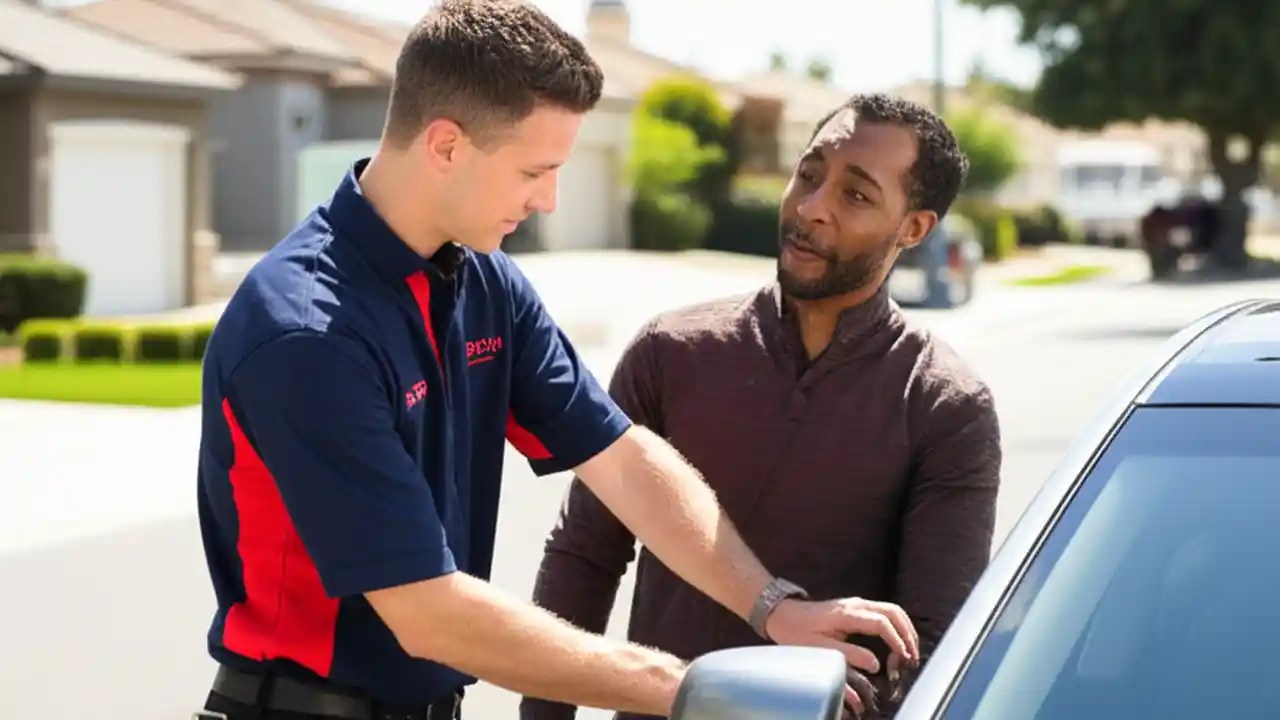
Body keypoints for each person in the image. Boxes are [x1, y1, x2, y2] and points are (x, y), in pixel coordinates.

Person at [192, 3, 919, 719]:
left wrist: (774, 608)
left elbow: (624, 460)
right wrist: (691, 690)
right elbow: (427, 613)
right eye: (534, 170)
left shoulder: (483, 280)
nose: (549, 198)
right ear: (445, 145)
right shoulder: (309, 337)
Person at [521, 93, 1002, 720]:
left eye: (855, 196)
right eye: (808, 174)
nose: (811, 208)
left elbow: (931, 650)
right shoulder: (671, 352)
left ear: (913, 228)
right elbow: (585, 557)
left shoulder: (946, 405)